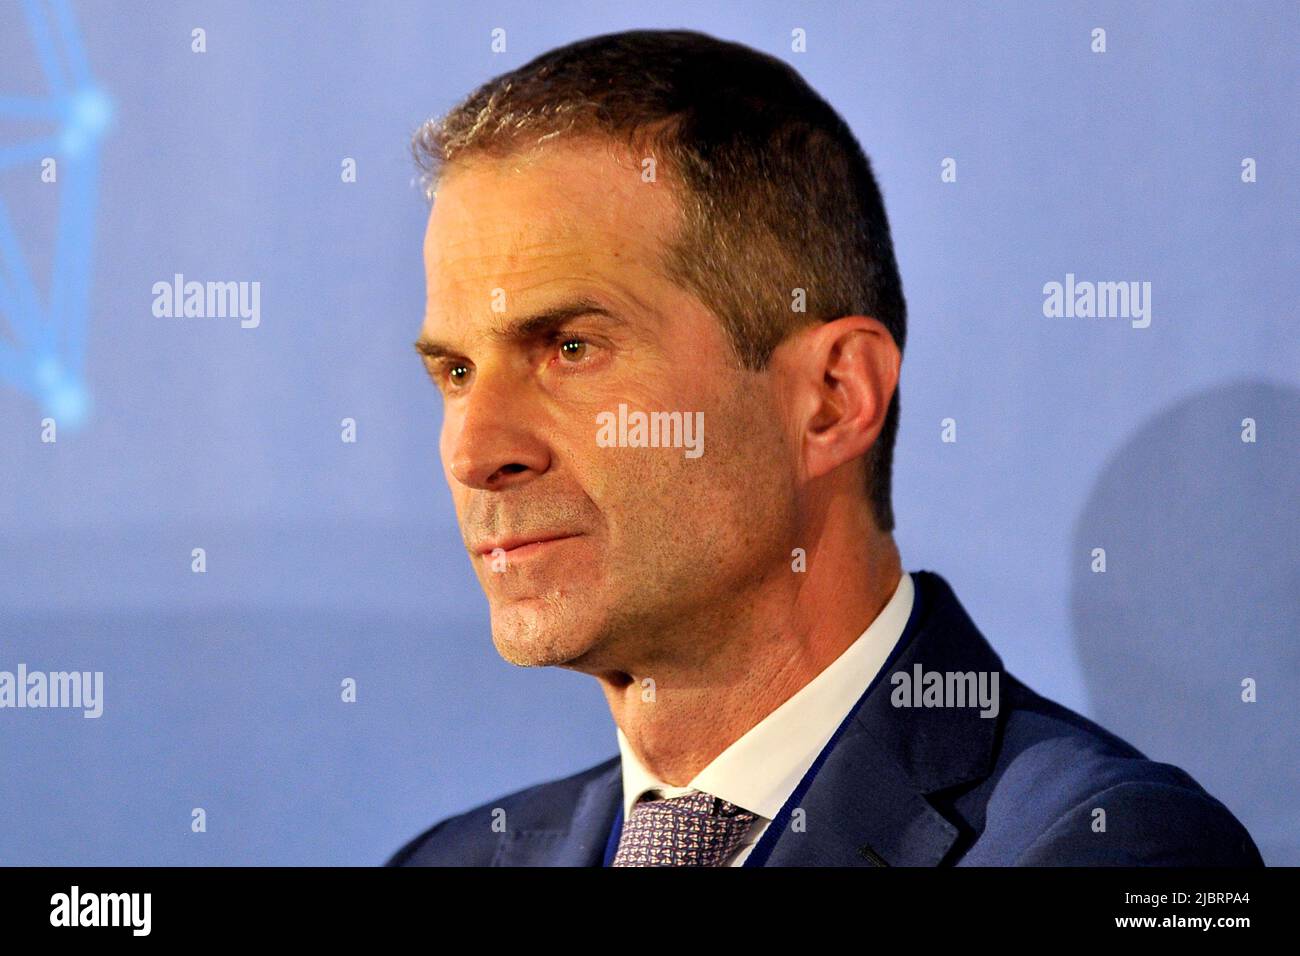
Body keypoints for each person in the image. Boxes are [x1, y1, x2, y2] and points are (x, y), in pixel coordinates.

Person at [388, 29, 1261, 867]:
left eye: (571, 348)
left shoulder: (1114, 846)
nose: (474, 453)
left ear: (833, 398)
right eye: (456, 372)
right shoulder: (451, 858)